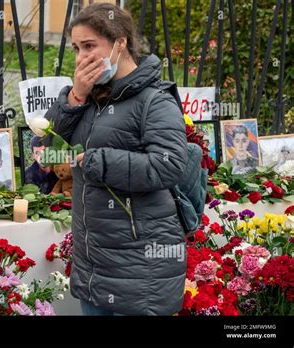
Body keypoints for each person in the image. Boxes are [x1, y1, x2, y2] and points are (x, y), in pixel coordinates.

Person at [44, 3, 188, 316]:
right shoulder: (89, 97)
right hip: (93, 267)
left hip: (139, 271)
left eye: (89, 46)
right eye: (76, 48)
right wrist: (75, 97)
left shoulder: (155, 100)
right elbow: (43, 148)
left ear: (120, 42)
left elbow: (168, 165)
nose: (81, 57)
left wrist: (97, 162)